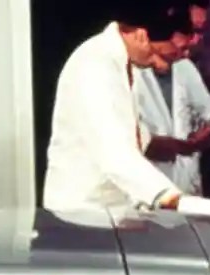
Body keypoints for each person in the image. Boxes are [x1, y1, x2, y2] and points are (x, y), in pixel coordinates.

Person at [42, 1, 194, 213]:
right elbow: (115, 151)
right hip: (85, 213)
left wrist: (177, 146)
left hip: (115, 210)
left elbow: (131, 135)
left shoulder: (125, 64)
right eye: (174, 50)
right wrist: (170, 197)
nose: (182, 56)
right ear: (142, 35)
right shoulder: (95, 64)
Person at [132, 0, 210, 196]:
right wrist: (186, 146)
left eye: (199, 32)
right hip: (146, 191)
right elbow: (139, 142)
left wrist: (208, 133)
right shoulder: (128, 71)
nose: (194, 40)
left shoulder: (185, 68)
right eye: (190, 30)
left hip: (185, 190)